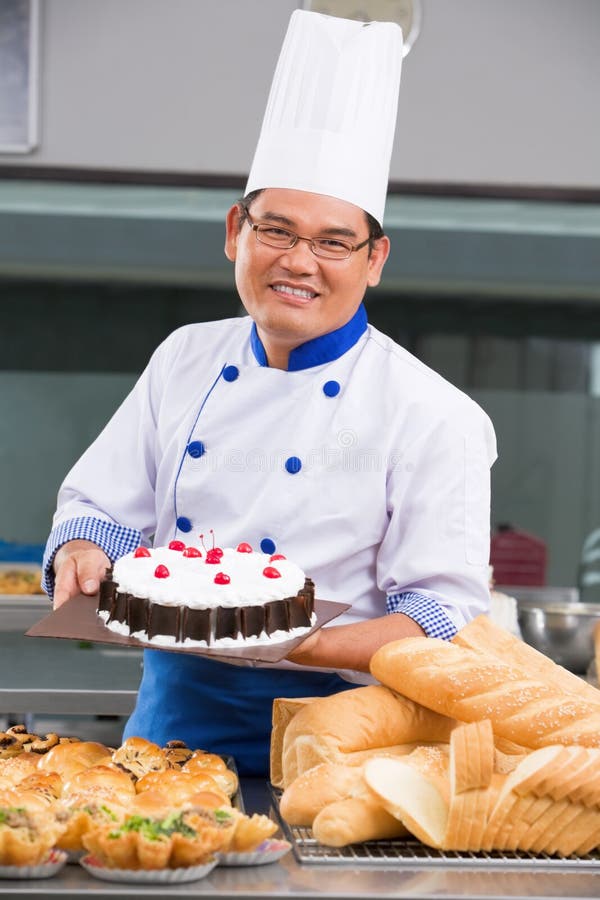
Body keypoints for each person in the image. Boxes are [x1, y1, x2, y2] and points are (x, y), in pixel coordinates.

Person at [43, 11, 497, 775]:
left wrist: (297, 641)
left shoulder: (433, 413)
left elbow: (442, 618)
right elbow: (99, 509)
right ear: (234, 232)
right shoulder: (185, 357)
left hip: (348, 733)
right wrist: (85, 549)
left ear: (375, 258)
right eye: (276, 231)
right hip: (174, 719)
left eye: (333, 241)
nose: (299, 262)